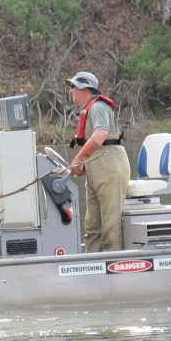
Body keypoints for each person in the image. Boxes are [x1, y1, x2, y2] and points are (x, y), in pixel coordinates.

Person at [66, 71, 130, 253]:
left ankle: (114, 267)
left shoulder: (99, 107)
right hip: (98, 170)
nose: (71, 91)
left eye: (73, 87)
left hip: (110, 168)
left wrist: (79, 158)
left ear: (84, 89)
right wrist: (85, 165)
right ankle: (92, 264)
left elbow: (101, 134)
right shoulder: (90, 109)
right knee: (92, 226)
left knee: (110, 225)